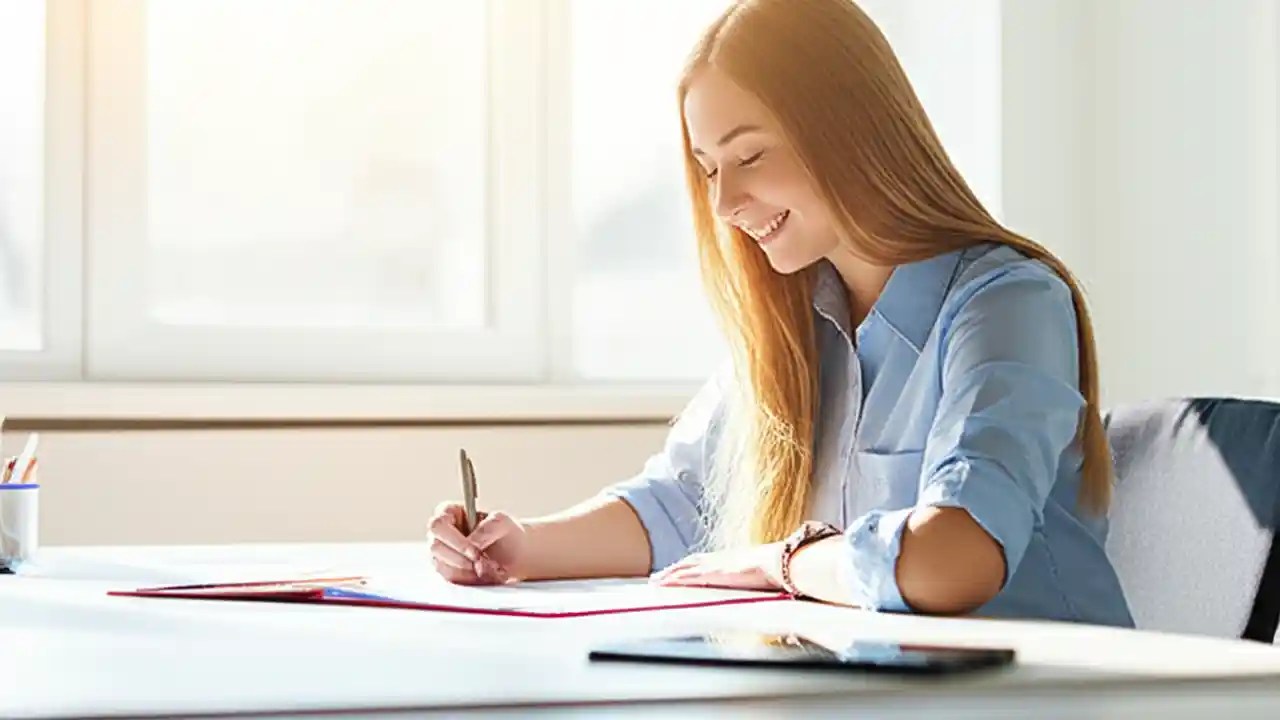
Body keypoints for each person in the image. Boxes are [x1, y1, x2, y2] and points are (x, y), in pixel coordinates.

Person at [427, 0, 1134, 626]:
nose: (724, 206)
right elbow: (680, 506)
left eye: (749, 157)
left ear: (850, 129)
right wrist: (517, 546)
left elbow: (952, 559)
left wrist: (785, 563)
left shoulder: (1007, 303)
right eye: (708, 169)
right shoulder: (799, 326)